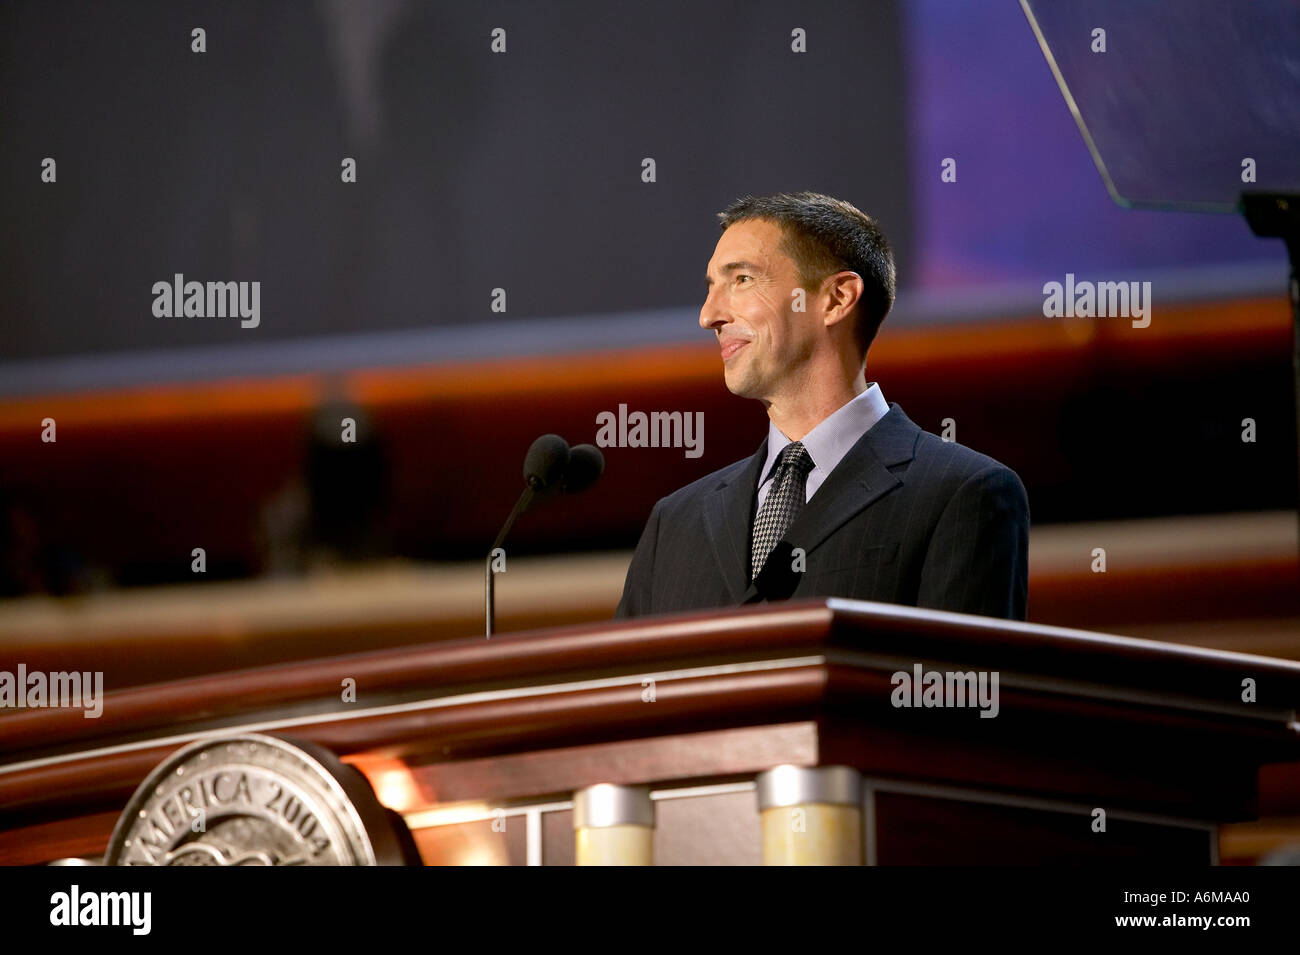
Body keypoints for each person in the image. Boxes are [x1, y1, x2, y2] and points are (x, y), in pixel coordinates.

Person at [615, 192, 1029, 621]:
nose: (708, 315)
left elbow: (956, 685)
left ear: (836, 299)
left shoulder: (961, 493)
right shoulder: (675, 524)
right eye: (710, 287)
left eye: (741, 280)